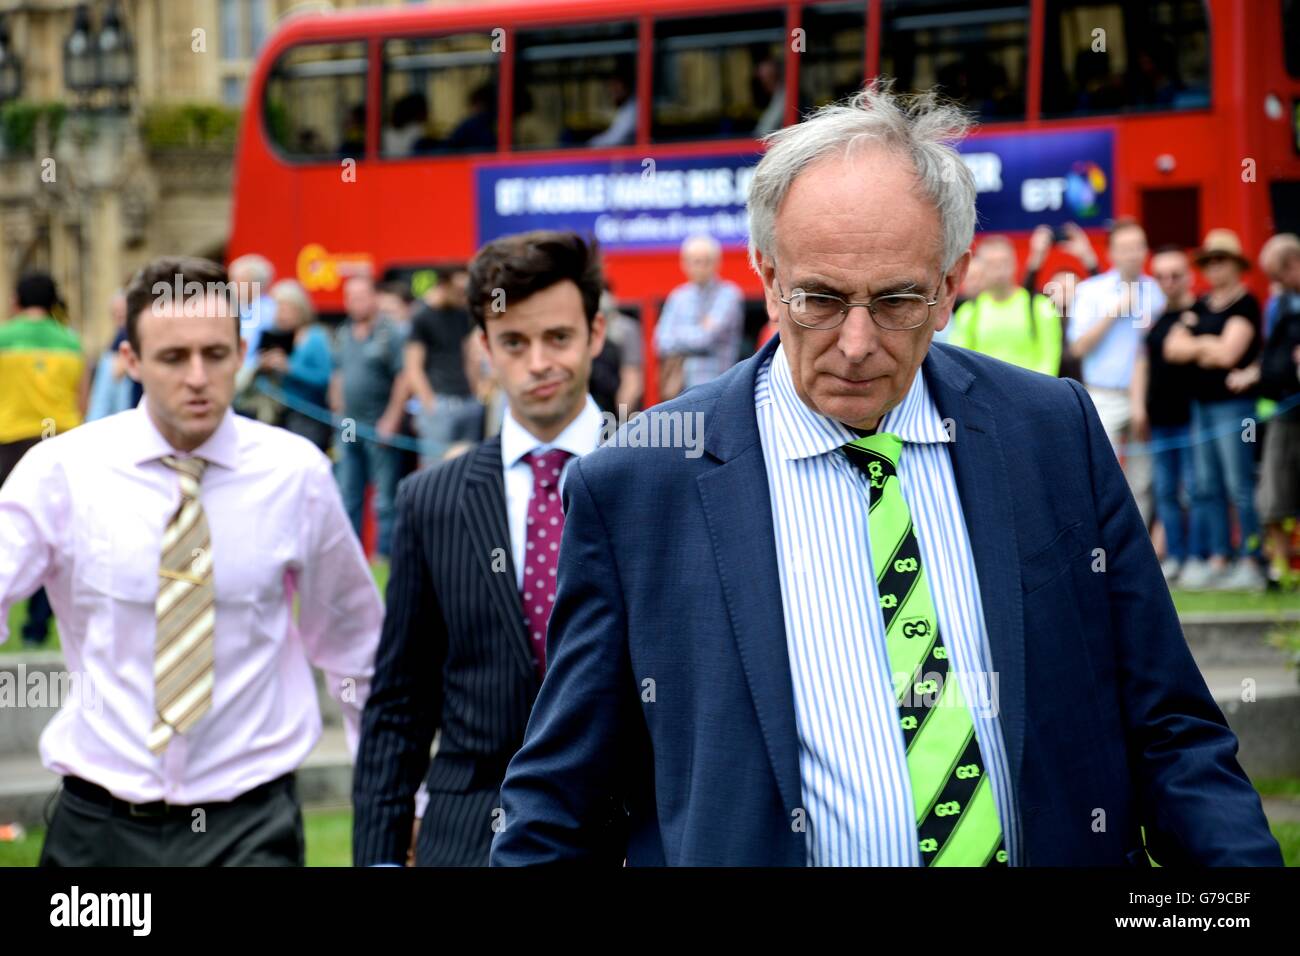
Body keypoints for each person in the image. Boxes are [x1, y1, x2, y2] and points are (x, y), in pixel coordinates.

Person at [490, 84, 1280, 867]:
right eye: (821, 300)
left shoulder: (1052, 433)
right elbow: (561, 807)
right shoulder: (640, 483)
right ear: (767, 278)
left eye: (898, 299)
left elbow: (1173, 733)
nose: (858, 342)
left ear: (949, 284)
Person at [0, 256, 382, 866]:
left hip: (250, 823)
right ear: (132, 362)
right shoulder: (62, 472)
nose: (198, 377)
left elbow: (357, 646)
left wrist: (392, 799)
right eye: (174, 358)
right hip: (100, 822)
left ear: (241, 353)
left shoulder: (296, 474)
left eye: (216, 353)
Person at [353, 231, 607, 867]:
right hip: (467, 835)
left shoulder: (660, 478)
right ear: (484, 348)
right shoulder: (430, 501)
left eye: (558, 338)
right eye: (514, 343)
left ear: (595, 334)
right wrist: (381, 856)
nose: (538, 363)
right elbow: (399, 701)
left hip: (622, 832)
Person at [1164, 229, 1266, 591]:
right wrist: (1209, 345)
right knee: (1205, 486)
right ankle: (1219, 557)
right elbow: (1171, 349)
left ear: (1236, 265)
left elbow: (1229, 354)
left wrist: (1199, 344)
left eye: (1220, 261)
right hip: (1201, 406)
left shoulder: (1246, 303)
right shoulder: (1201, 305)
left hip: (1234, 406)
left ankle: (1252, 559)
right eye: (1208, 262)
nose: (1213, 268)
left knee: (1239, 483)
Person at [0, 272, 87, 648]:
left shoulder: (4, 336)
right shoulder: (71, 340)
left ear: (17, 300)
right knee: (56, 537)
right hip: (60, 443)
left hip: (10, 442)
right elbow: (81, 400)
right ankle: (37, 628)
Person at [1067, 220, 1165, 528]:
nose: (1132, 254)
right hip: (1103, 396)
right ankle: (1103, 553)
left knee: (1143, 481)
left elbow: (1148, 352)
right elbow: (1078, 347)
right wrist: (1113, 312)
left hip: (1145, 398)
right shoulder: (1091, 291)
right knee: (1102, 478)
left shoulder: (1157, 291)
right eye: (1124, 248)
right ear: (1110, 253)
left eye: (1138, 247)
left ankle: (1140, 556)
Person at [1134, 247, 1208, 583]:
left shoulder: (1204, 312)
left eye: (1175, 275)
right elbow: (1144, 363)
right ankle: (1176, 557)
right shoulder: (1157, 319)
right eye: (1161, 276)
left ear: (1189, 276)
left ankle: (1199, 557)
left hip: (1194, 417)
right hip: (1160, 419)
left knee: (1194, 488)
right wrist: (1139, 408)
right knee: (1164, 490)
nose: (1168, 282)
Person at [330, 275, 409, 558]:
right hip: (347, 426)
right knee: (348, 492)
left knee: (384, 498)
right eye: (350, 298)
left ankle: (383, 554)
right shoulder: (343, 333)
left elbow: (403, 376)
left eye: (361, 296)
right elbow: (339, 373)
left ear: (374, 297)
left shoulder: (391, 332)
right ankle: (350, 554)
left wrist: (391, 418)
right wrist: (337, 406)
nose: (355, 303)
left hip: (379, 424)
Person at [1252, 233, 1300, 589]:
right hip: (1282, 411)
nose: (1275, 284)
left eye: (1278, 275)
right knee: (1273, 492)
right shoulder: (1277, 304)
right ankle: (1281, 572)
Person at [237, 279, 334, 452]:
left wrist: (289, 368)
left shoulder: (315, 337)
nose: (280, 314)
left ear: (300, 309)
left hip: (309, 416)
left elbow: (325, 378)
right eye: (277, 308)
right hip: (281, 414)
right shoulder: (278, 336)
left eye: (285, 308)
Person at [947, 234, 1062, 376]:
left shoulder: (1040, 306)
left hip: (1032, 393)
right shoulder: (969, 312)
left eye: (1004, 262)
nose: (999, 270)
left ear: (1015, 263)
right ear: (980, 268)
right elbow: (960, 361)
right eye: (991, 264)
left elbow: (1050, 358)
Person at [405, 270, 483, 468]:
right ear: (443, 285)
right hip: (440, 403)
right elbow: (413, 366)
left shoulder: (462, 315)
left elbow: (469, 357)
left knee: (470, 467)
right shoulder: (421, 317)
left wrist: (477, 393)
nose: (462, 295)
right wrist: (430, 405)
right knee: (435, 470)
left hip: (467, 402)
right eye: (458, 290)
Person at [654, 234, 745, 398]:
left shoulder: (729, 294)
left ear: (717, 263)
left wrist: (679, 334)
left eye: (706, 261)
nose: (700, 267)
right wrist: (699, 329)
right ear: (684, 264)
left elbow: (706, 338)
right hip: (681, 393)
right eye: (695, 261)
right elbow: (661, 341)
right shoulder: (678, 297)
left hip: (720, 390)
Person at [86, 290, 140, 422]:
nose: (119, 315)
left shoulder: (122, 342)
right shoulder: (116, 341)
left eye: (122, 311)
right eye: (115, 312)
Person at [588, 71, 636, 147]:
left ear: (626, 86)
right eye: (611, 86)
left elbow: (616, 138)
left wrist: (590, 144)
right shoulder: (625, 107)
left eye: (616, 86)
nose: (613, 91)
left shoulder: (632, 109)